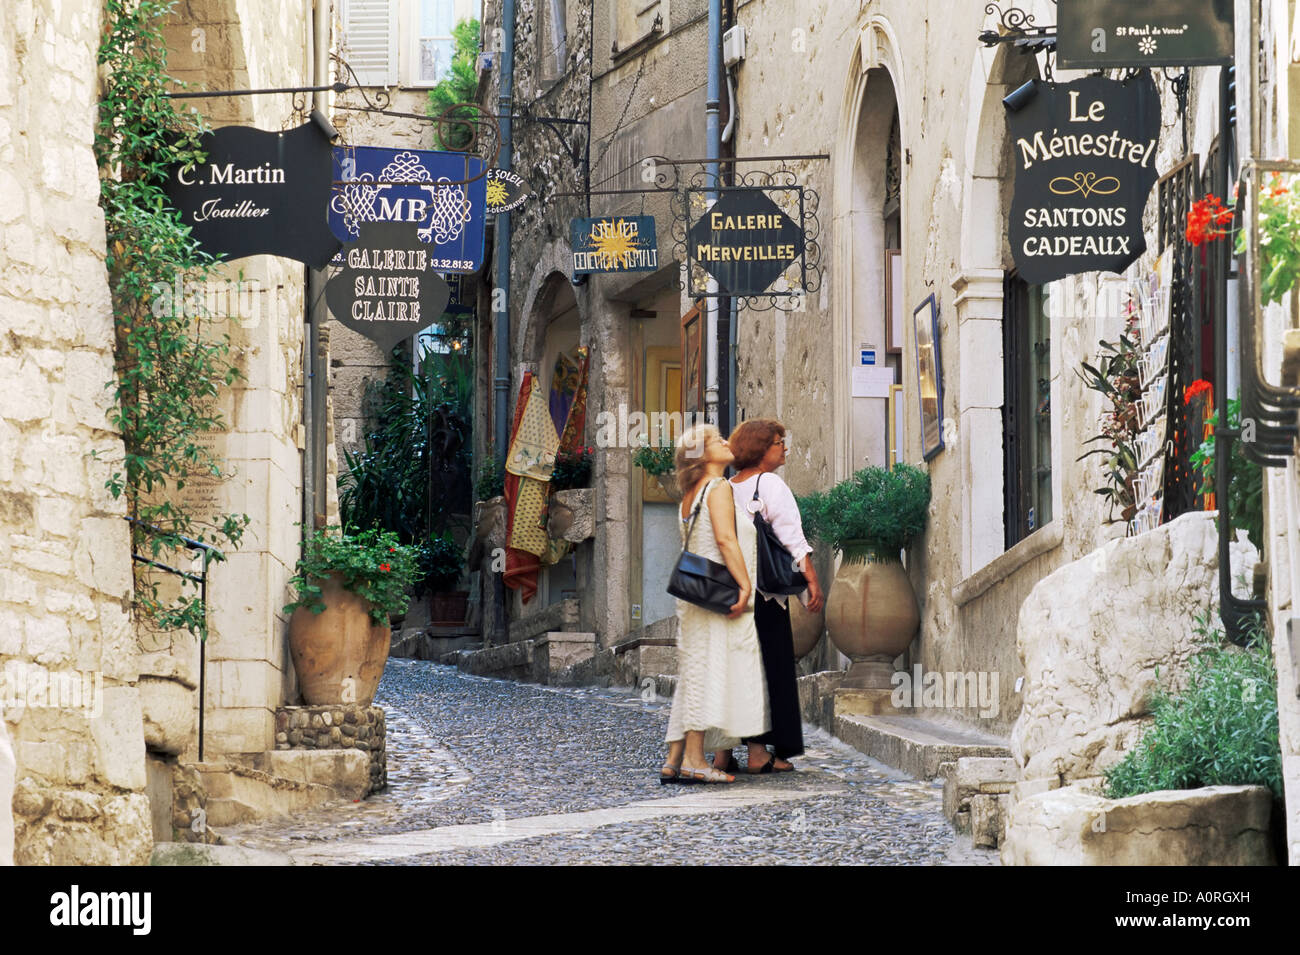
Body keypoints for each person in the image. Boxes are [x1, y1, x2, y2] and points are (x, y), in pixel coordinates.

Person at [661, 424, 770, 784]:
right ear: (704, 455)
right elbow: (725, 540)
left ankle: (674, 758)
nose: (726, 442)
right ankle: (695, 760)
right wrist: (744, 585)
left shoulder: (689, 495)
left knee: (694, 673)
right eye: (716, 440)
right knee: (709, 673)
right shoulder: (718, 487)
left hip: (693, 597)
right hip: (716, 592)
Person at [714, 419, 823, 773]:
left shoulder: (725, 488)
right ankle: (759, 753)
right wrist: (812, 583)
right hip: (763, 596)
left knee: (733, 671)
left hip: (729, 594)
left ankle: (721, 752)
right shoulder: (770, 485)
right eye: (779, 442)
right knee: (768, 670)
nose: (784, 448)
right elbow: (792, 539)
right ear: (761, 449)